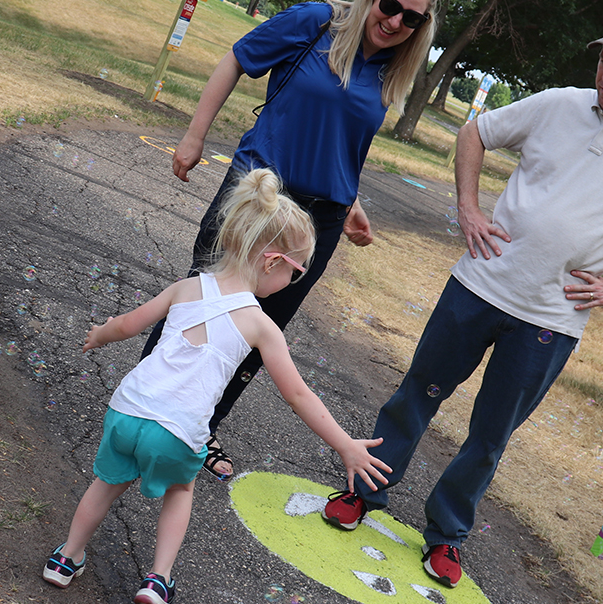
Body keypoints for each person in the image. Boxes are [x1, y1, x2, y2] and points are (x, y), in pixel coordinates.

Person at [322, 14, 603, 588]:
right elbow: (475, 133)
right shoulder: (558, 103)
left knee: (490, 434)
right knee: (416, 395)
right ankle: (363, 494)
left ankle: (448, 535)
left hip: (551, 319)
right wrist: (469, 208)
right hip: (479, 285)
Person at [143, 0, 446, 480]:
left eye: (410, 17)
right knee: (200, 305)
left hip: (318, 221)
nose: (394, 21)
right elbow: (236, 59)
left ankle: (199, 429)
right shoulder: (316, 23)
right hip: (257, 197)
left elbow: (347, 138)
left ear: (421, 26)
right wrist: (194, 137)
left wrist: (350, 200)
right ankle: (144, 406)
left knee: (260, 334)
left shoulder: (395, 66)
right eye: (389, 5)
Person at [44, 169, 392, 601]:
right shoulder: (262, 326)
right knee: (180, 488)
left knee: (107, 483)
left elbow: (127, 326)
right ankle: (157, 578)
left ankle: (66, 557)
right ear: (272, 262)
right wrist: (344, 444)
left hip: (128, 409)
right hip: (178, 428)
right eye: (297, 272)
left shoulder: (187, 286)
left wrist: (98, 334)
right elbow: (298, 394)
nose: (292, 282)